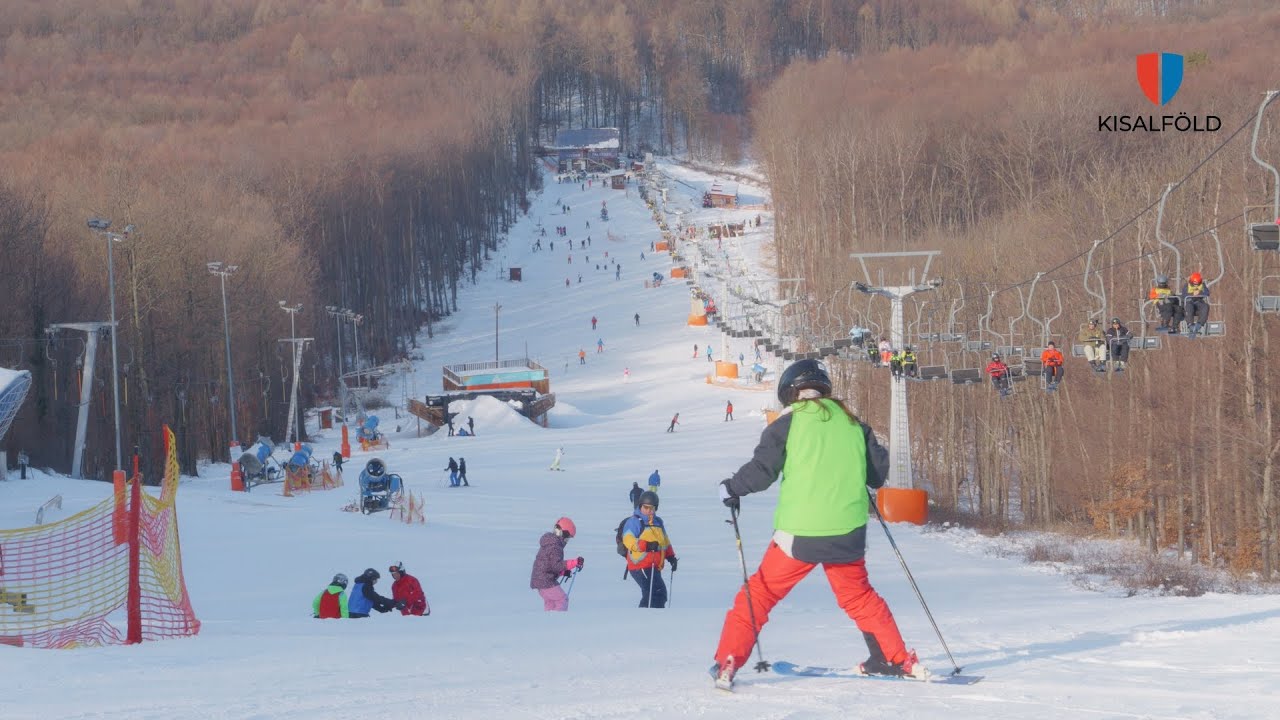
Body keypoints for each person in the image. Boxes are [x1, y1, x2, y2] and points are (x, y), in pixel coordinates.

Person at [711, 359, 921, 689]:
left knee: (760, 593)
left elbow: (762, 472)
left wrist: (731, 488)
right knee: (859, 597)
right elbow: (878, 476)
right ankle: (896, 659)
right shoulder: (855, 424)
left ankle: (728, 661)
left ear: (790, 392)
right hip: (848, 533)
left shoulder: (788, 423)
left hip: (800, 535)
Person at [621, 491, 678, 608]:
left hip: (653, 566)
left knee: (659, 594)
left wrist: (671, 557)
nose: (648, 511)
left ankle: (654, 619)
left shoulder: (658, 523)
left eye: (651, 508)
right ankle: (645, 619)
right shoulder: (634, 522)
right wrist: (645, 545)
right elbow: (628, 540)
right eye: (645, 507)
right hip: (639, 565)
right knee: (655, 593)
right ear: (640, 506)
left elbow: (665, 542)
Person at [530, 517, 584, 611]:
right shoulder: (555, 546)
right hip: (546, 581)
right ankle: (559, 622)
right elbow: (556, 566)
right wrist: (575, 562)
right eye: (567, 538)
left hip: (539, 581)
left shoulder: (549, 543)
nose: (566, 541)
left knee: (550, 602)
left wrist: (563, 572)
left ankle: (549, 621)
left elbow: (549, 565)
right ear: (562, 534)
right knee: (562, 599)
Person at [1182, 271, 1210, 338]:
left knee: (1205, 306)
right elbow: (1184, 294)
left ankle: (1200, 324)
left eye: (1197, 285)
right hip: (1190, 301)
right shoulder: (1186, 286)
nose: (1195, 286)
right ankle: (1190, 324)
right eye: (1194, 285)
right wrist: (1192, 294)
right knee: (1188, 307)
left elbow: (1207, 293)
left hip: (1199, 301)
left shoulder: (1202, 285)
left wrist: (1199, 292)